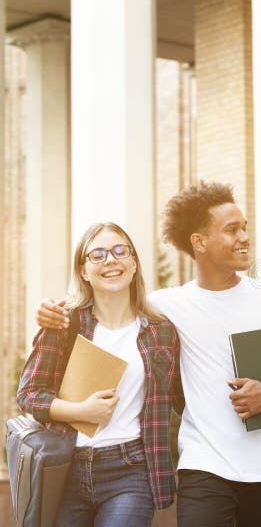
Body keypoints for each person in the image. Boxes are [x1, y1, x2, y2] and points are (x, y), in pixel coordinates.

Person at [36, 182, 261, 527]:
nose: (244, 237)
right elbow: (108, 300)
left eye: (244, 228)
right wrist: (52, 310)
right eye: (232, 229)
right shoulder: (165, 307)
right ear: (199, 242)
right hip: (203, 464)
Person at [18, 222, 182, 526]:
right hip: (65, 469)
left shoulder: (161, 332)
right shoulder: (65, 323)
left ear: (134, 263)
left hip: (130, 470)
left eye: (120, 251)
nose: (111, 260)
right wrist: (81, 411)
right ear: (83, 270)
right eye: (98, 254)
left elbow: (182, 399)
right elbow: (28, 394)